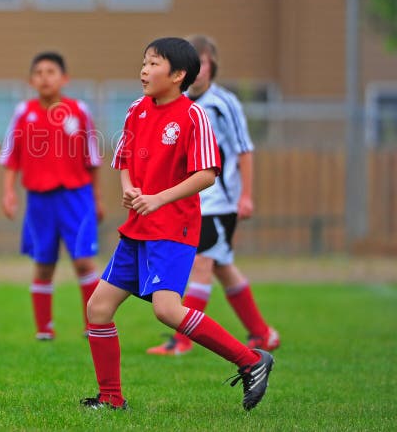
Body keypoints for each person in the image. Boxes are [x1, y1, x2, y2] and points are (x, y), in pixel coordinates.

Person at [81, 37, 274, 412]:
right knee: (98, 309)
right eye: (143, 63)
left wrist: (158, 198)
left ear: (178, 74)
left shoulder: (193, 116)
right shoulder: (137, 110)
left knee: (167, 310)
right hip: (137, 226)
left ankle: (252, 361)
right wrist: (130, 189)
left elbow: (206, 174)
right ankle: (110, 398)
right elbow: (122, 159)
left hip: (174, 228)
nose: (144, 70)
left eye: (153, 64)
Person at [147, 35, 279, 356]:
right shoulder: (179, 104)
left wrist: (246, 196)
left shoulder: (223, 103)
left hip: (218, 203)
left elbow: (244, 150)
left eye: (203, 61)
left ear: (212, 66)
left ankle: (182, 341)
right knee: (222, 267)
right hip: (192, 203)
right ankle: (262, 333)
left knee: (202, 264)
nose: (198, 68)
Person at [0, 52, 103, 340]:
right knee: (44, 263)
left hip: (77, 197)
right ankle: (44, 330)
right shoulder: (24, 112)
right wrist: (9, 193)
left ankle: (93, 323)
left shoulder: (79, 110)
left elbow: (92, 157)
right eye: (39, 72)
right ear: (31, 80)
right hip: (39, 201)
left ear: (64, 78)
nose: (45, 77)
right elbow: (11, 157)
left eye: (51, 71)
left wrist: (98, 198)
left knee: (83, 261)